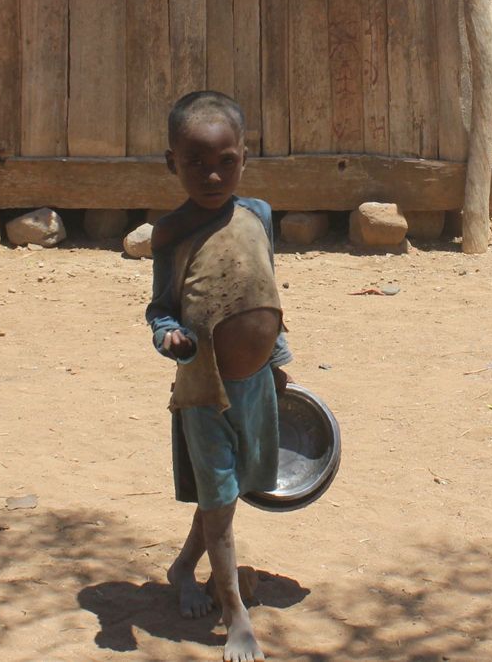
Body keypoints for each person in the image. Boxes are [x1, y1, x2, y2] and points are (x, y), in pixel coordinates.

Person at [146, 90, 293, 662]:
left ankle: (185, 567)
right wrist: (168, 336)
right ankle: (236, 618)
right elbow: (160, 308)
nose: (212, 174)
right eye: (195, 163)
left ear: (244, 156)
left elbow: (267, 289)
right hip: (204, 387)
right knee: (222, 499)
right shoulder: (172, 233)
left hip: (255, 382)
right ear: (171, 163)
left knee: (226, 495)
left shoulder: (257, 215)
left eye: (225, 160)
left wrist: (279, 363)